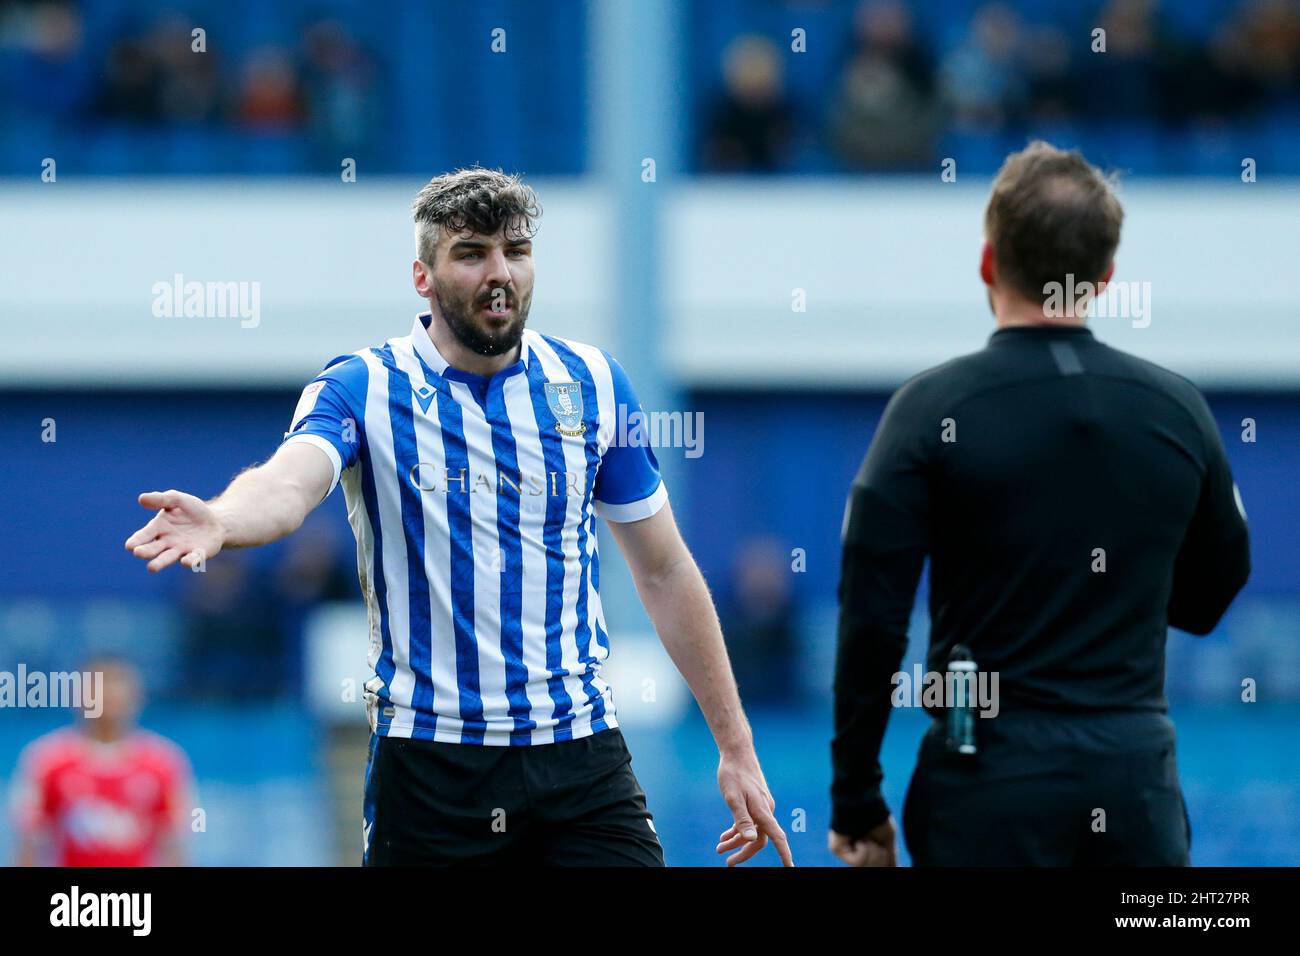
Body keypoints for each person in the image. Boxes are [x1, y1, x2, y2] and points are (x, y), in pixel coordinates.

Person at [124, 167, 792, 867]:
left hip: (580, 755)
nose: (500, 273)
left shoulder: (593, 383)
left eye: (517, 251)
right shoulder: (365, 385)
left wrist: (736, 747)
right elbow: (290, 484)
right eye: (472, 254)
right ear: (424, 276)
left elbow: (662, 569)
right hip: (433, 767)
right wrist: (225, 520)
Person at [829, 141, 1251, 866]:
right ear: (1106, 276)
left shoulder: (929, 410)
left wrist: (858, 803)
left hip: (985, 780)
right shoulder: (1178, 411)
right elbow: (1213, 596)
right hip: (1132, 781)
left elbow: (874, 621)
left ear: (989, 264)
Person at [10, 656, 194, 866]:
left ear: (137, 697)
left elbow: (174, 844)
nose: (108, 694)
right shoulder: (46, 759)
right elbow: (28, 842)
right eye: (98, 686)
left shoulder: (164, 761)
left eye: (117, 685)